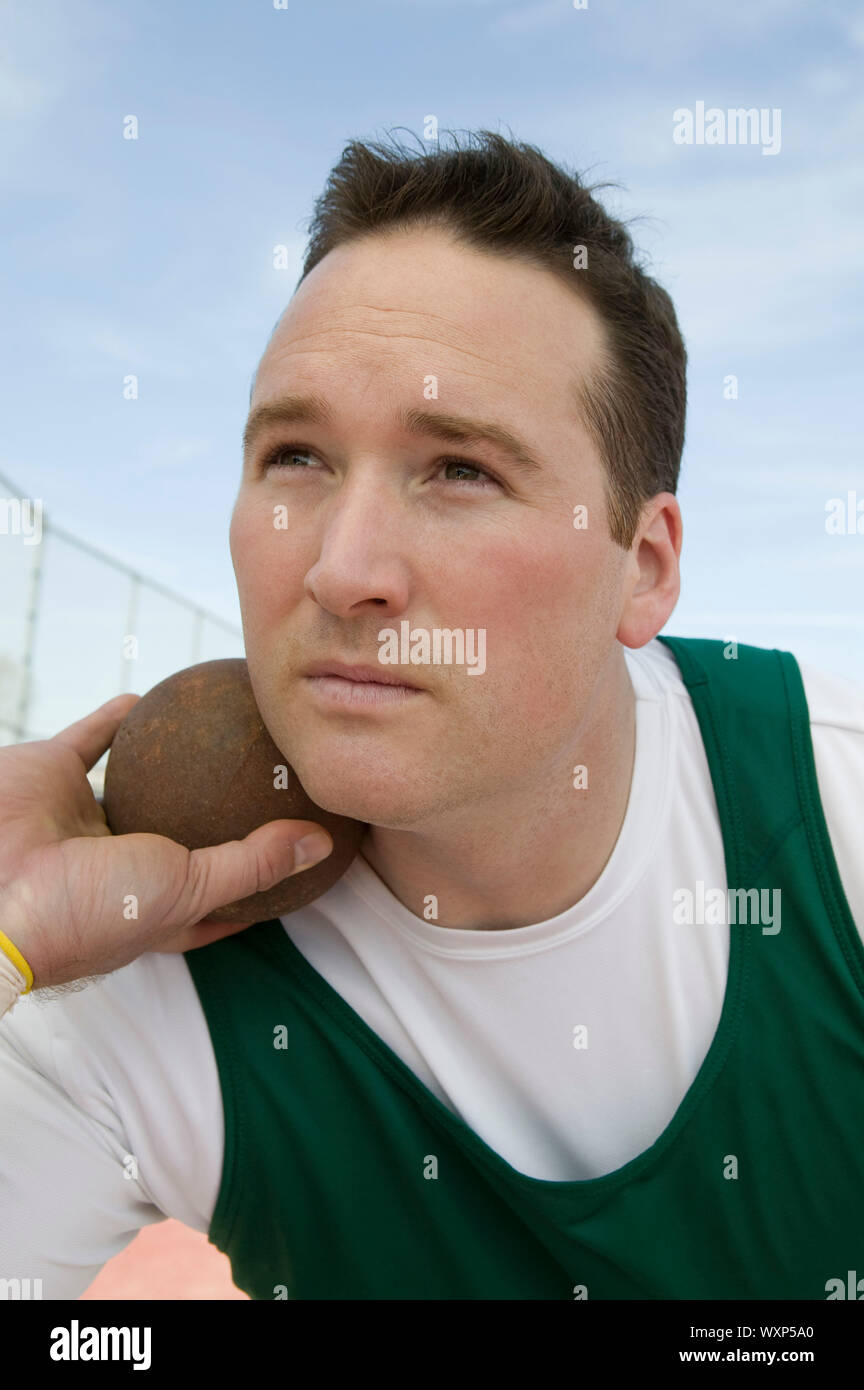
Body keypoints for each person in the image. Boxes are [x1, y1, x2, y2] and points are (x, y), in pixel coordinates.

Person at [1, 130, 863, 1301]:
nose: (342, 568)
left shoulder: (836, 816)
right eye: (295, 455)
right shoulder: (118, 962)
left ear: (644, 567)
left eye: (459, 469)